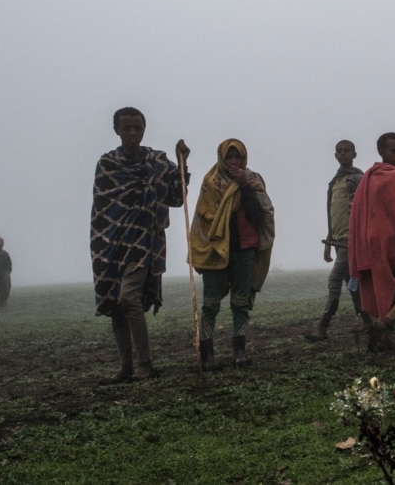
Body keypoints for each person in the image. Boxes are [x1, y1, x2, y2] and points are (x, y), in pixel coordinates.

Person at [90, 107, 189, 383]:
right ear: (117, 131)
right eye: (127, 128)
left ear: (144, 129)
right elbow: (102, 208)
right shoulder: (107, 165)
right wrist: (106, 240)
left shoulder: (158, 162)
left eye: (137, 128)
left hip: (145, 241)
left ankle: (145, 364)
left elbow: (177, 198)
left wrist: (182, 166)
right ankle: (126, 366)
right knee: (115, 302)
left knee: (128, 297)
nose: (132, 133)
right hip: (111, 243)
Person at [188, 139, 275, 369]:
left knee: (240, 300)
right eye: (229, 157)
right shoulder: (211, 182)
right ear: (222, 159)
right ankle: (207, 355)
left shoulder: (252, 181)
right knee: (210, 302)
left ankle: (240, 352)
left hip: (243, 248)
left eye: (238, 157)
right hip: (215, 250)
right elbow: (203, 218)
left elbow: (259, 215)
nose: (234, 162)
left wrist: (244, 185)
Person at [347, 132, 395, 352]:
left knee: (384, 287)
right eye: (394, 150)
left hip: (372, 242)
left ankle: (384, 337)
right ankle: (384, 325)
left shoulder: (370, 176)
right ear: (381, 151)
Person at [305, 140, 364, 341]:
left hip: (352, 240)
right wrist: (329, 243)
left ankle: (322, 326)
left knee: (334, 280)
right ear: (335, 155)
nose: (343, 154)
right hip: (338, 240)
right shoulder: (335, 181)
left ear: (354, 154)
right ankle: (366, 320)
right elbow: (332, 213)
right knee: (351, 281)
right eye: (339, 151)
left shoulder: (358, 178)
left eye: (347, 151)